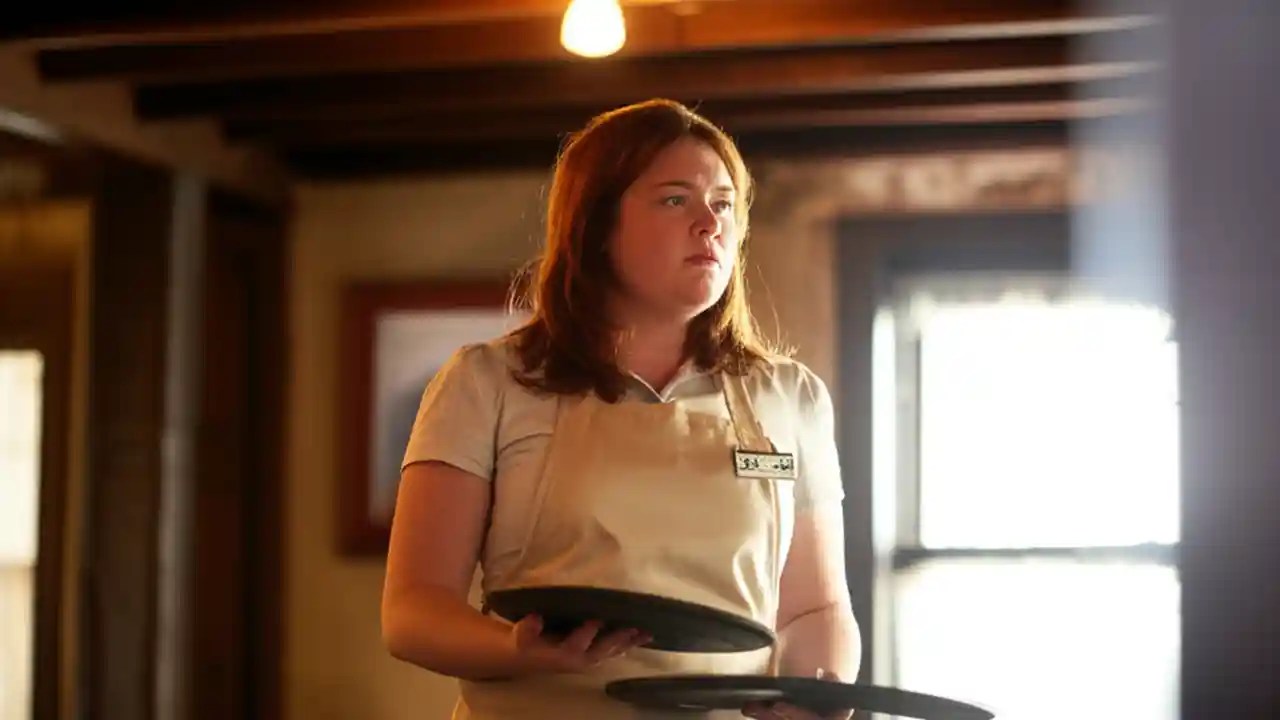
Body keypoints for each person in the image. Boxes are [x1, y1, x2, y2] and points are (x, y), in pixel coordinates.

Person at [381, 98, 861, 720]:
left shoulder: (791, 397)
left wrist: (810, 701)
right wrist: (518, 648)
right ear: (595, 225)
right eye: (674, 199)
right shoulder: (487, 382)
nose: (709, 224)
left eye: (723, 204)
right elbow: (414, 612)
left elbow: (815, 610)